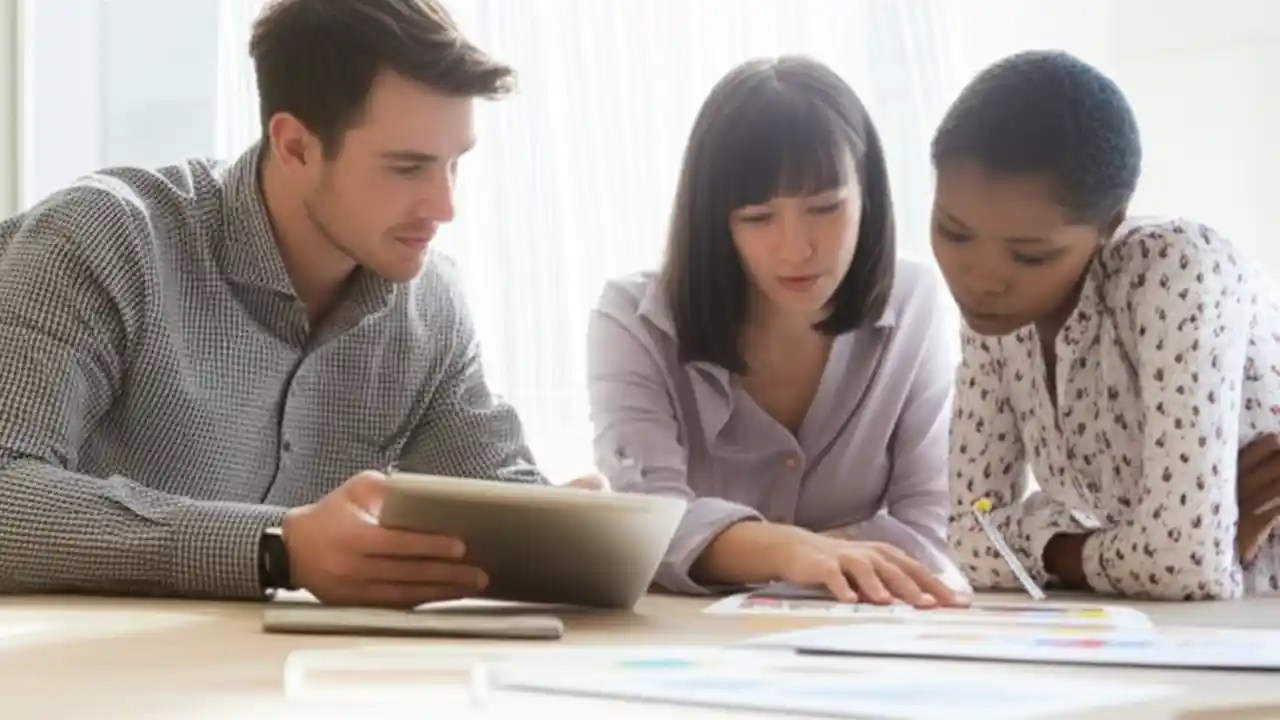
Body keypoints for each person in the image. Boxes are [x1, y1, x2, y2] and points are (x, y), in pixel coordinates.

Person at [0, 0, 597, 608]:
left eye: (454, 165)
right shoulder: (103, 239)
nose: (445, 207)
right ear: (295, 147)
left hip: (288, 667)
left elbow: (495, 496)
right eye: (407, 168)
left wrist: (583, 531)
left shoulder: (431, 309)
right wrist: (275, 548)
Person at [587, 56, 967, 608]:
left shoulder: (912, 304)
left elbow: (934, 522)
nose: (796, 248)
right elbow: (646, 522)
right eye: (757, 217)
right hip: (693, 638)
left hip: (866, 629)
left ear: (868, 195)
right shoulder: (634, 320)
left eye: (826, 208)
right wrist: (792, 553)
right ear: (714, 220)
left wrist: (774, 553)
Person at [935, 50, 1280, 600]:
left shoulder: (1180, 271)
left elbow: (1186, 567)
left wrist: (1048, 542)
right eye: (953, 232)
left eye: (1029, 255)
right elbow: (973, 541)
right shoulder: (996, 314)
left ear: (1109, 225)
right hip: (1188, 627)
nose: (981, 278)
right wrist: (1114, 548)